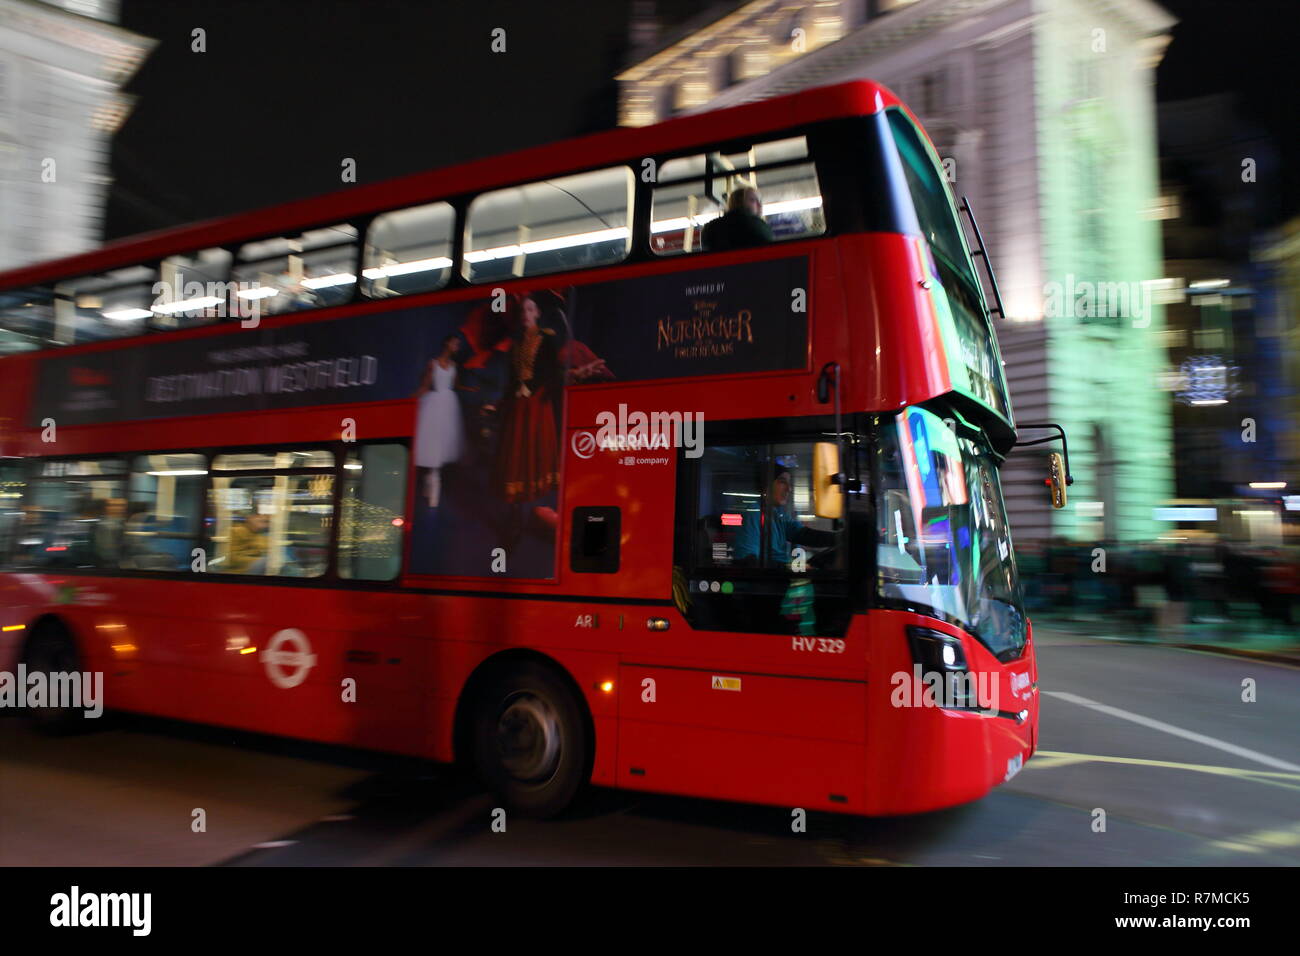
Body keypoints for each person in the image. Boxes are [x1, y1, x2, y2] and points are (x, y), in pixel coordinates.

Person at [494, 293, 562, 537]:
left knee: (533, 452)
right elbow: (512, 377)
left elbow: (552, 372)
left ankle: (534, 509)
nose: (526, 314)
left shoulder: (546, 339)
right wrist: (501, 402)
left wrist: (531, 388)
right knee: (516, 455)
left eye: (530, 309)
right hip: (518, 405)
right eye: (523, 310)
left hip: (536, 404)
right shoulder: (515, 343)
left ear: (537, 314)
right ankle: (516, 512)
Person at [733, 464, 834, 568]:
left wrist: (839, 538)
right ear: (766, 485)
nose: (788, 489)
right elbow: (748, 561)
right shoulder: (754, 513)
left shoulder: (778, 515)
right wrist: (786, 568)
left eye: (789, 484)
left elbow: (803, 535)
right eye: (782, 482)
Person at [412, 334, 465, 507]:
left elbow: (456, 385)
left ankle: (433, 483)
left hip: (448, 405)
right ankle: (431, 484)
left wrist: (471, 388)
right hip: (434, 405)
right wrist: (412, 399)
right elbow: (425, 385)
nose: (457, 346)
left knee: (443, 443)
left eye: (458, 344)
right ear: (447, 343)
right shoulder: (433, 364)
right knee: (433, 443)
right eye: (455, 343)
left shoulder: (454, 366)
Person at [701, 185, 774, 252]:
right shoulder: (757, 226)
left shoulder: (709, 228)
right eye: (753, 200)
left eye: (760, 201)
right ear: (739, 202)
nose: (760, 205)